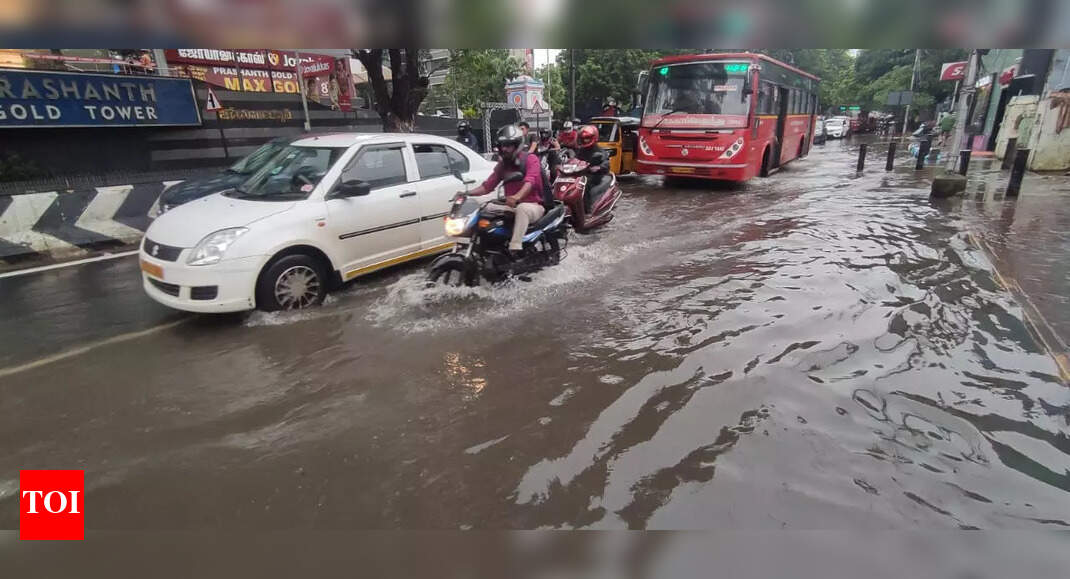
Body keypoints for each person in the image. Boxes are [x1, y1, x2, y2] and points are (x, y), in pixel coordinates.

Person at [460, 125, 545, 257]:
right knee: (482, 206)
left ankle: (515, 248)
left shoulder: (531, 159)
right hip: (510, 206)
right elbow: (487, 187)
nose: (504, 149)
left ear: (517, 145)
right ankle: (481, 243)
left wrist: (516, 197)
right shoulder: (503, 165)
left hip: (533, 206)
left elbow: (530, 181)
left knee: (522, 208)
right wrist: (467, 193)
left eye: (508, 145)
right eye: (502, 146)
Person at [573, 124, 611, 212]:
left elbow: (606, 163)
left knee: (584, 185)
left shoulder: (599, 151)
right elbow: (575, 159)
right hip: (581, 173)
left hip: (594, 175)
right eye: (584, 139)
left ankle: (587, 209)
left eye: (587, 138)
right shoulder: (581, 150)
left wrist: (598, 167)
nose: (585, 140)